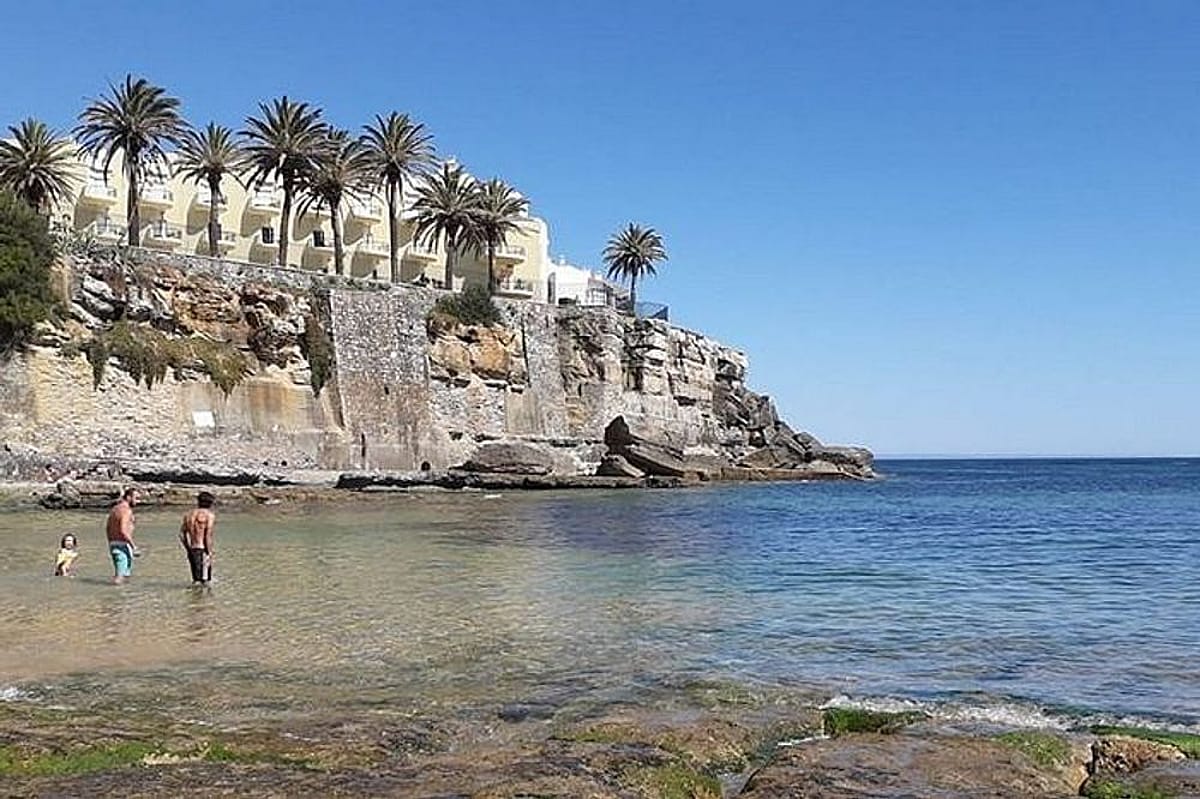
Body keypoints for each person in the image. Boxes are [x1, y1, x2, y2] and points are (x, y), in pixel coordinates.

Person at [179, 491, 216, 585]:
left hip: (192, 549)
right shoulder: (209, 515)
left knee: (196, 581)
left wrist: (188, 548)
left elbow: (181, 534)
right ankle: (203, 599)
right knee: (206, 582)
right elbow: (207, 536)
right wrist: (209, 552)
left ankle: (195, 599)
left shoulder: (188, 515)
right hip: (202, 550)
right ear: (210, 503)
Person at [105, 487, 138, 584]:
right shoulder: (126, 510)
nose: (138, 501)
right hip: (122, 545)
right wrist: (133, 546)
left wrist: (111, 543)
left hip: (114, 544)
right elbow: (123, 530)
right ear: (128, 497)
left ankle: (123, 597)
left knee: (124, 576)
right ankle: (114, 596)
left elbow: (108, 528)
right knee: (120, 578)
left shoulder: (115, 509)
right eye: (136, 498)